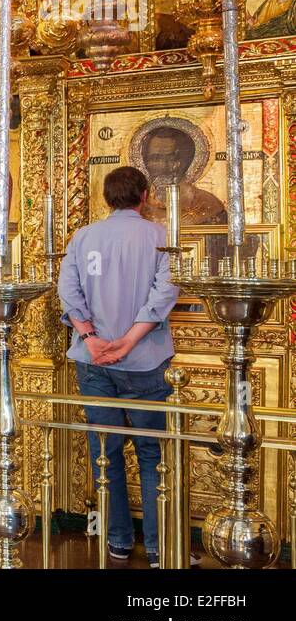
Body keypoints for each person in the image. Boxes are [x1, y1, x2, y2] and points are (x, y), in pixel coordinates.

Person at [57, 166, 180, 567]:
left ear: (107, 199)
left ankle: (118, 542)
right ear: (144, 196)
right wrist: (129, 340)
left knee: (104, 452)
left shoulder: (84, 236)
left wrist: (92, 338)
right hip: (145, 361)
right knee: (152, 453)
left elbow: (67, 290)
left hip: (93, 360)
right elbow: (165, 293)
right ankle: (162, 549)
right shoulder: (161, 236)